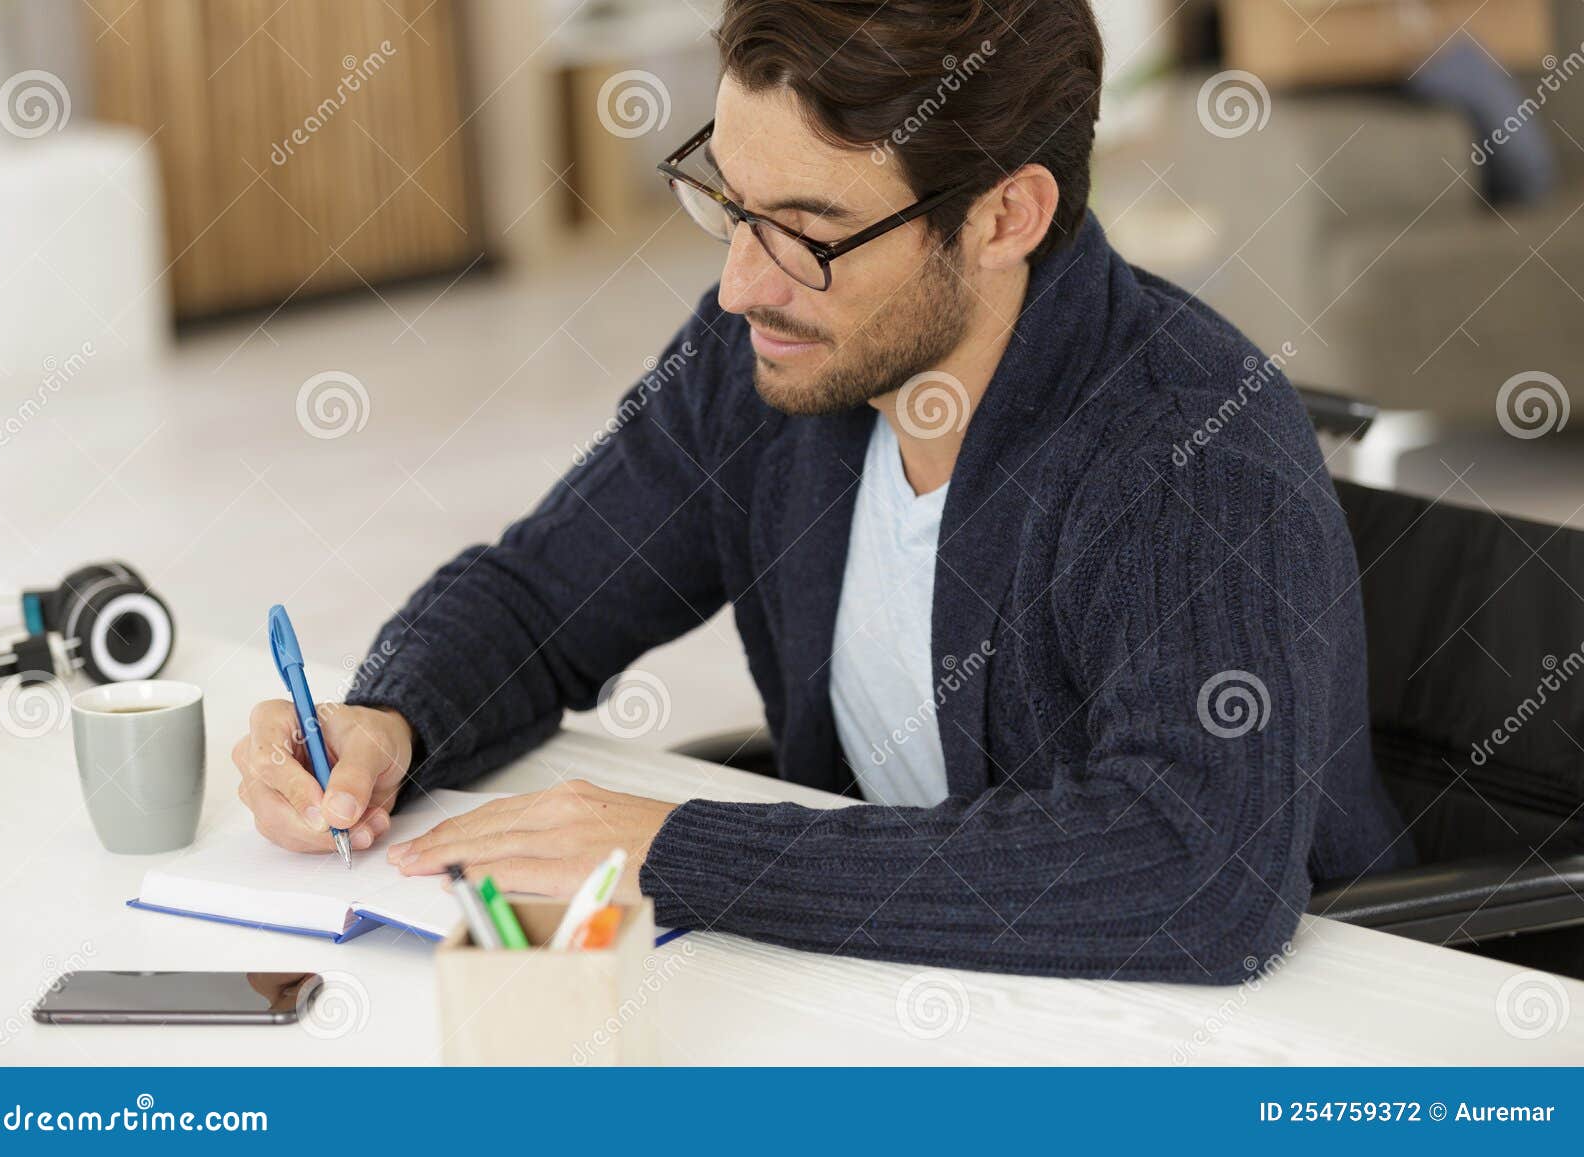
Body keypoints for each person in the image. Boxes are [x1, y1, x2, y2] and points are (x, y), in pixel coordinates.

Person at [231, 0, 1411, 982]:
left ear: (1007, 215)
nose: (741, 284)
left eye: (806, 232)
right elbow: (545, 593)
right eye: (729, 203)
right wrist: (391, 716)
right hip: (890, 997)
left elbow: (1190, 870)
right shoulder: (767, 360)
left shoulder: (1188, 448)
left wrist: (685, 849)